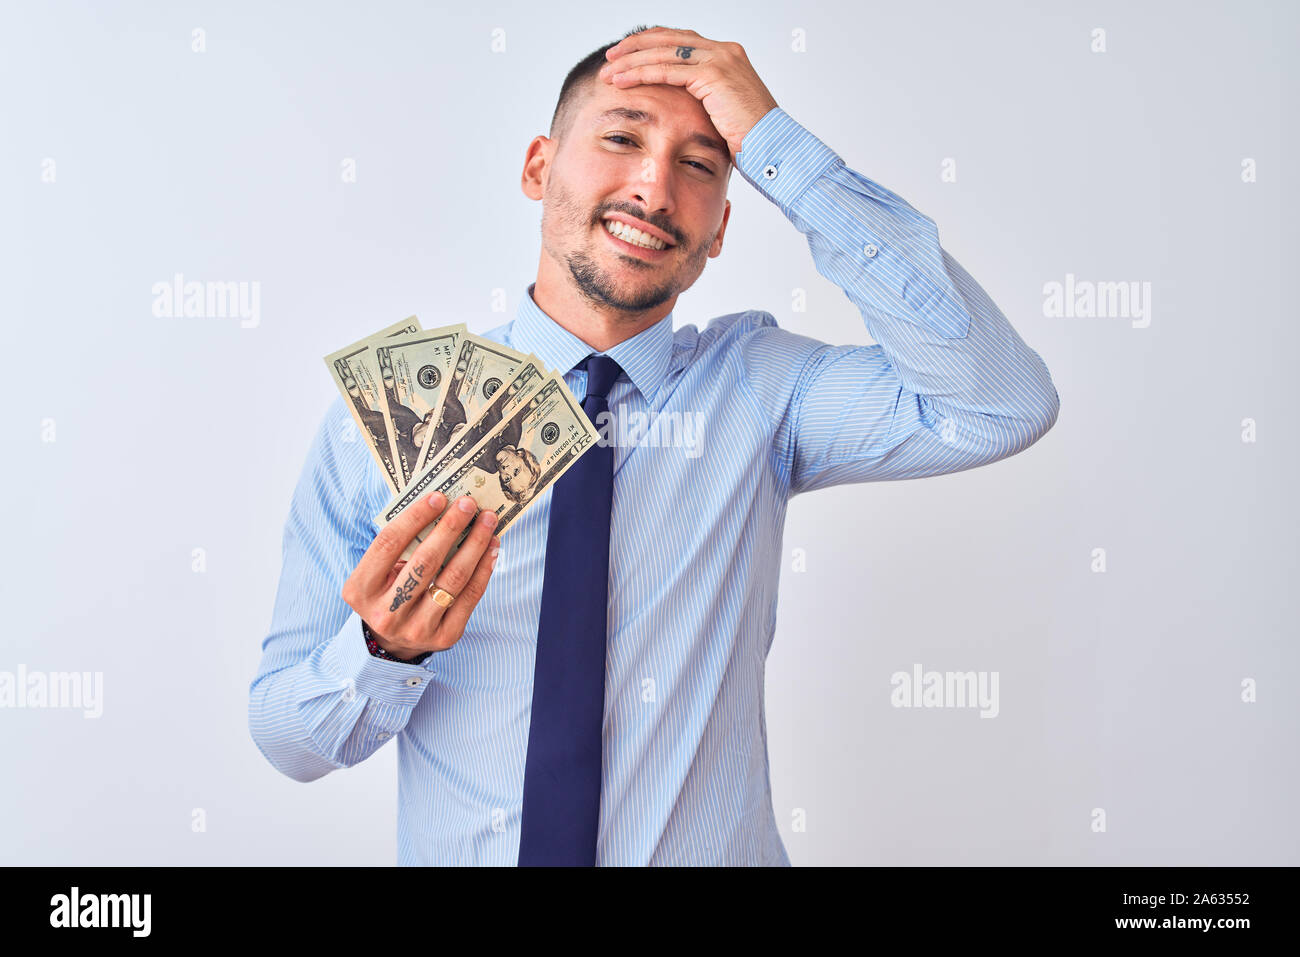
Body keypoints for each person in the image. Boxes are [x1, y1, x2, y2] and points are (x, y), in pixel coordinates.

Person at [248, 24, 1060, 866]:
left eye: (701, 164)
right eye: (622, 137)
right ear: (538, 167)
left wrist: (779, 146)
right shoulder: (388, 422)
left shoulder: (762, 391)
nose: (654, 187)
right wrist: (383, 649)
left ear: (720, 230)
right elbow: (289, 739)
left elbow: (1000, 403)